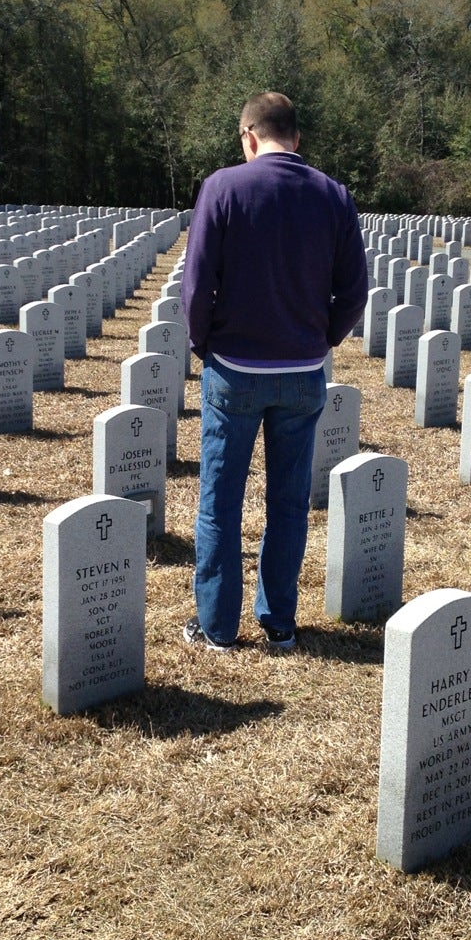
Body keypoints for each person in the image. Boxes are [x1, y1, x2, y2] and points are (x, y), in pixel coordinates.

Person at [180, 91, 368, 652]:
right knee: (288, 501)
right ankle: (279, 622)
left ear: (248, 136)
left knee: (220, 500)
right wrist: (323, 338)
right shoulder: (334, 196)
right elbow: (354, 290)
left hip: (234, 368)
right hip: (304, 371)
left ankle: (216, 627)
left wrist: (203, 342)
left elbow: (195, 284)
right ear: (297, 138)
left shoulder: (223, 187)